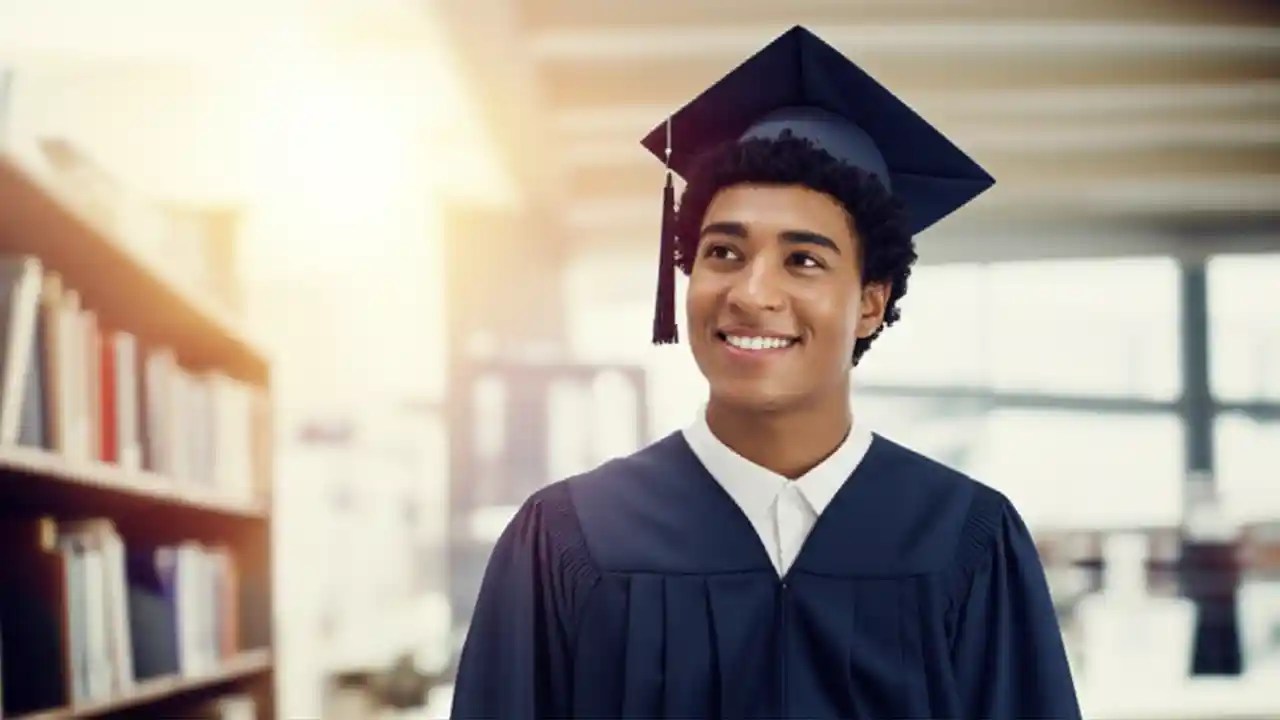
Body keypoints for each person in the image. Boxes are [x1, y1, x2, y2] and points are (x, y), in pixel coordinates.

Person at [451, 25, 1081, 719]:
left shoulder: (967, 541)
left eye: (803, 260)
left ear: (872, 303)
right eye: (724, 253)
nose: (751, 292)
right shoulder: (569, 539)